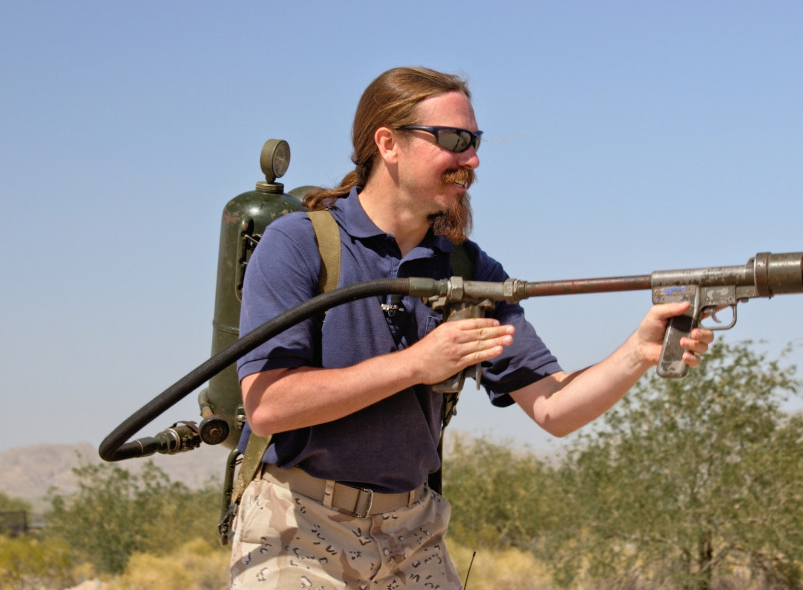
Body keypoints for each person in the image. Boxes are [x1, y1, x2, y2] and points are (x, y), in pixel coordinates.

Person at [229, 67, 714, 589]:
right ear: (388, 143)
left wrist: (638, 351)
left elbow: (554, 408)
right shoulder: (299, 243)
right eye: (455, 141)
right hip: (296, 525)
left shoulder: (470, 271)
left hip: (411, 533)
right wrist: (418, 364)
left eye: (475, 142)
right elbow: (268, 404)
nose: (472, 160)